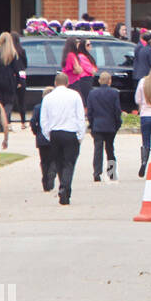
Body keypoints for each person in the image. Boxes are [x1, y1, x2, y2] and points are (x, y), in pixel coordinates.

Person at [39, 72, 85, 206]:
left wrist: (48, 134)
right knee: (69, 163)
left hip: (55, 133)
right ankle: (65, 187)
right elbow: (80, 117)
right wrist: (80, 135)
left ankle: (63, 186)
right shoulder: (75, 95)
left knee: (59, 162)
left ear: (55, 83)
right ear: (68, 82)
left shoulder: (48, 98)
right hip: (70, 132)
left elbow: (44, 119)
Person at [87, 71, 122, 182]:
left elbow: (90, 112)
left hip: (97, 125)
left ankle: (97, 173)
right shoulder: (114, 93)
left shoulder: (92, 93)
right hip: (110, 125)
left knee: (98, 150)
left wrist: (92, 124)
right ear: (110, 81)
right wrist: (117, 123)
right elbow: (117, 111)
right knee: (110, 149)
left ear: (99, 81)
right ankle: (111, 173)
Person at [62, 37, 97, 104]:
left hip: (74, 80)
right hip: (78, 81)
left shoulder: (70, 55)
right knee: (83, 101)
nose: (78, 44)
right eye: (88, 44)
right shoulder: (75, 56)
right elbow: (80, 70)